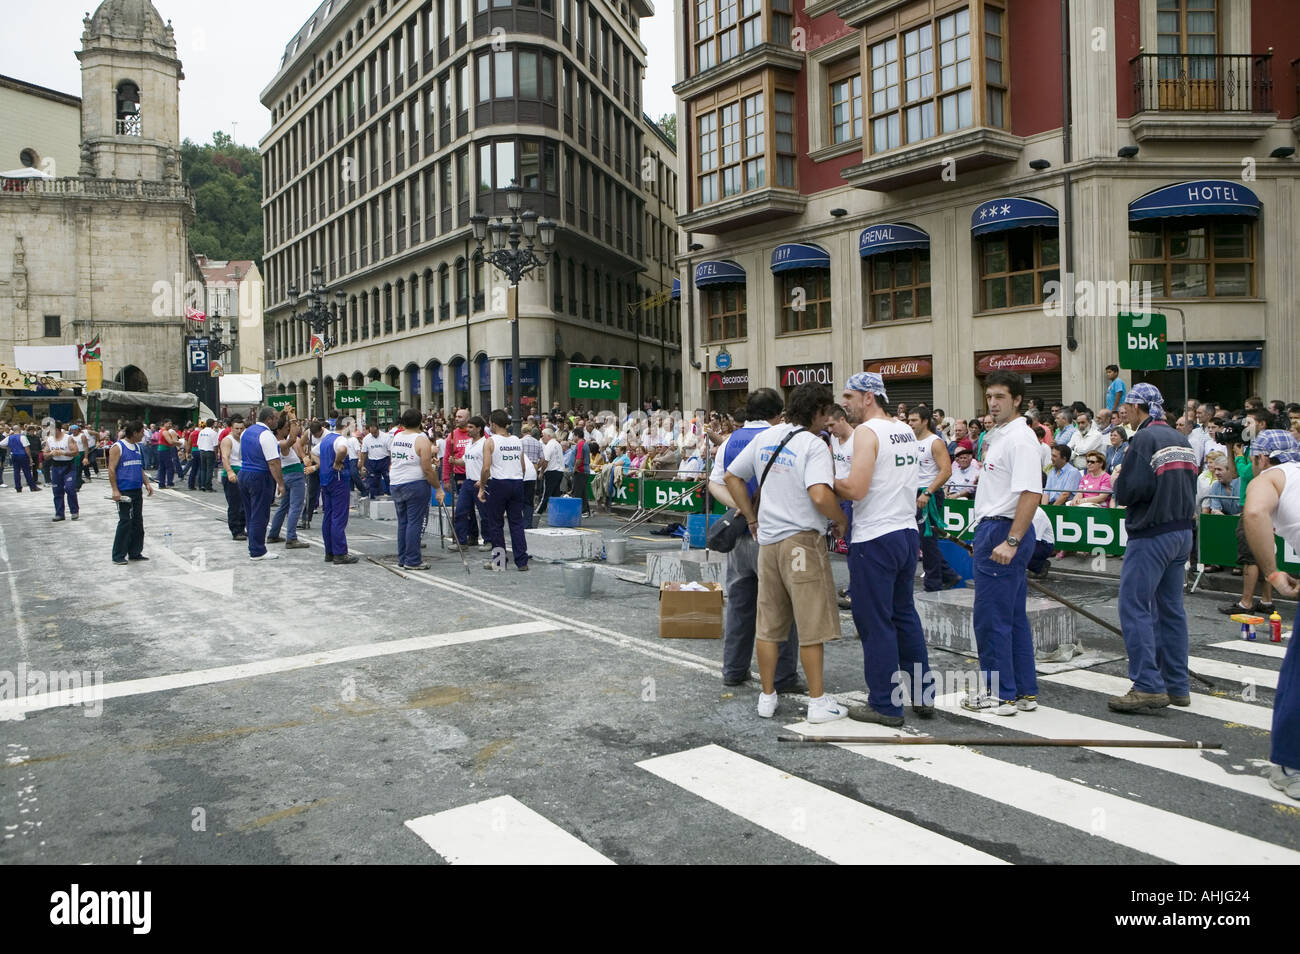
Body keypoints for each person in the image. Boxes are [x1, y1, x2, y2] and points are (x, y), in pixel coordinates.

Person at [724, 383, 847, 724]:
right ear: (819, 411)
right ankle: (818, 702)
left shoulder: (765, 437)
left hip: (769, 542)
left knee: (769, 624)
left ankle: (767, 696)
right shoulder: (814, 445)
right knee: (811, 625)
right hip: (801, 542)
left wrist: (750, 516)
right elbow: (821, 495)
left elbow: (732, 476)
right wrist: (841, 520)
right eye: (827, 413)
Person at [834, 373, 933, 726]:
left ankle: (885, 705)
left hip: (875, 535)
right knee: (904, 615)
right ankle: (923, 693)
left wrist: (821, 479)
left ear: (868, 397)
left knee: (875, 623)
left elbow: (856, 489)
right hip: (905, 531)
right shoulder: (904, 428)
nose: (844, 402)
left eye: (849, 395)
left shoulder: (866, 432)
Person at [709, 389, 804, 695]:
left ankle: (734, 669)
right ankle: (783, 675)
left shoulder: (729, 442)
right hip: (773, 531)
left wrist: (740, 508)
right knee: (781, 607)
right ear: (779, 413)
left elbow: (714, 482)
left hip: (740, 534)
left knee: (739, 604)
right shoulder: (783, 437)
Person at [1109, 382, 1197, 713]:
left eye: (1127, 407)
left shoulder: (1144, 439)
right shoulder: (1180, 437)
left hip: (1153, 533)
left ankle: (1147, 684)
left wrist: (1117, 481)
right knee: (1171, 609)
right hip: (1181, 532)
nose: (1123, 413)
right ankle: (1176, 684)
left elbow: (1131, 491)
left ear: (1139, 408)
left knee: (1134, 607)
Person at [963, 370, 1042, 716]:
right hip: (997, 528)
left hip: (1003, 530)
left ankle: (1000, 694)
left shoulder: (1020, 438)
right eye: (990, 397)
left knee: (991, 619)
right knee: (1011, 617)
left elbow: (1032, 492)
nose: (993, 403)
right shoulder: (1003, 435)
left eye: (1000, 397)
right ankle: (1022, 691)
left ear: (1017, 400)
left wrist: (1011, 540)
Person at [1240, 430, 1300, 799]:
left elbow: (1254, 511)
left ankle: (1288, 763)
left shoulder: (1272, 477)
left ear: (1262, 459)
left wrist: (1274, 572)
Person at [1219, 420, 1275, 615]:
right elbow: (1234, 474)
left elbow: (1248, 473)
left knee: (1249, 558)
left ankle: (1246, 602)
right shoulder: (1252, 446)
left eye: (1249, 422)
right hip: (1260, 506)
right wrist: (1230, 450)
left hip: (1254, 508)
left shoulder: (1261, 449)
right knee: (1264, 558)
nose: (1245, 426)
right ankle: (1267, 601)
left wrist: (1241, 456)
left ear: (1261, 423)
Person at [909, 406, 960, 591]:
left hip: (928, 494)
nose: (910, 423)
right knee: (921, 539)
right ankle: (949, 574)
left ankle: (934, 581)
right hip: (913, 493)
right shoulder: (911, 441)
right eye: (909, 420)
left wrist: (928, 492)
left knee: (927, 538)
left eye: (914, 420)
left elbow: (946, 471)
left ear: (924, 421)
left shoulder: (935, 442)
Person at [389, 407, 442, 570]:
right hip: (414, 483)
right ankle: (412, 560)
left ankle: (403, 557)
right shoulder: (421, 439)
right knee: (414, 523)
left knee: (403, 522)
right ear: (420, 422)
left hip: (396, 482)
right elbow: (427, 469)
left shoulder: (397, 437)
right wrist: (438, 488)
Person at [478, 410, 530, 571]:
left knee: (496, 524)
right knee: (516, 523)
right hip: (517, 482)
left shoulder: (490, 442)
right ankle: (522, 561)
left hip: (499, 483)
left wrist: (481, 488)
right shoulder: (516, 440)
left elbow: (486, 468)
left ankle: (499, 562)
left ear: (493, 424)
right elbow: (522, 466)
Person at [239, 407, 287, 561]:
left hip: (244, 473)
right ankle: (258, 550)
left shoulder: (246, 432)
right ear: (269, 419)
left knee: (250, 513)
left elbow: (242, 454)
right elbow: (273, 462)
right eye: (275, 418)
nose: (277, 421)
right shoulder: (267, 435)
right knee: (260, 513)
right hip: (260, 475)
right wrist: (280, 483)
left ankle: (253, 546)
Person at [108, 420, 154, 565]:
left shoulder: (137, 447)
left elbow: (139, 467)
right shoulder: (118, 447)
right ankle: (118, 555)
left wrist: (146, 483)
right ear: (135, 433)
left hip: (136, 490)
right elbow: (111, 469)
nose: (143, 435)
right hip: (125, 491)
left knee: (137, 522)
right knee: (125, 522)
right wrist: (115, 490)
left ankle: (135, 552)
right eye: (141, 432)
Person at [316, 417, 360, 565]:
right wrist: (337, 462)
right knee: (339, 517)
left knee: (328, 515)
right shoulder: (342, 440)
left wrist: (323, 465)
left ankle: (329, 551)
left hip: (325, 480)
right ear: (346, 426)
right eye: (353, 425)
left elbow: (314, 453)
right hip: (338, 480)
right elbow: (342, 450)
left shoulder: (327, 439)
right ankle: (340, 553)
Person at [266, 413, 310, 550]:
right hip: (294, 475)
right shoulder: (281, 443)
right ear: (278, 430)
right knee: (296, 506)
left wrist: (284, 414)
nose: (288, 430)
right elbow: (292, 438)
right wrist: (293, 420)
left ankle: (273, 534)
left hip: (285, 474)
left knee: (283, 506)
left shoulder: (273, 442)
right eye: (285, 428)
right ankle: (291, 538)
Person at [442, 410, 479, 548]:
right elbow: (446, 458)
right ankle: (465, 537)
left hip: (478, 475)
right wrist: (445, 478)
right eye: (456, 416)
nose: (457, 419)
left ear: (468, 419)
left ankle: (479, 536)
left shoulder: (476, 435)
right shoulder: (451, 436)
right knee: (465, 508)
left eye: (460, 417)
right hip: (461, 475)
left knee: (481, 509)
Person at [452, 416, 487, 552]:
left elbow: (489, 464)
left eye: (471, 427)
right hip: (468, 481)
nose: (468, 429)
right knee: (460, 510)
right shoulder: (468, 443)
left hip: (481, 482)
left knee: (485, 514)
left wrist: (484, 481)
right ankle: (461, 540)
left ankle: (488, 540)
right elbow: (465, 461)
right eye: (468, 427)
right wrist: (454, 461)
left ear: (479, 429)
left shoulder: (485, 443)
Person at [220, 417, 247, 541]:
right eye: (236, 428)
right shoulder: (227, 440)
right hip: (232, 475)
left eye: (241, 428)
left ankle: (242, 528)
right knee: (235, 504)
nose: (239, 431)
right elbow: (225, 457)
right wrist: (230, 472)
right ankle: (236, 531)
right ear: (231, 428)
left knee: (244, 503)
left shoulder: (243, 439)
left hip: (243, 472)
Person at [46, 420, 80, 522]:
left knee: (70, 489)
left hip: (68, 467)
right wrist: (51, 454)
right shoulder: (50, 440)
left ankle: (74, 511)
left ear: (57, 429)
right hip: (56, 467)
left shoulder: (68, 438)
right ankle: (59, 513)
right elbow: (45, 454)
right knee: (57, 491)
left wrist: (63, 453)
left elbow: (76, 452)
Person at [300, 419, 325, 530]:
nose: (315, 436)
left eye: (316, 434)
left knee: (327, 491)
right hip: (312, 463)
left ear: (321, 430)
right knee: (311, 492)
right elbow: (300, 445)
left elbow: (327, 459)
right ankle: (305, 519)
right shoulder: (308, 433)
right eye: (313, 434)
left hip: (324, 465)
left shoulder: (327, 436)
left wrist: (315, 467)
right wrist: (304, 457)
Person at [536, 428, 564, 514]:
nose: (542, 437)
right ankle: (557, 512)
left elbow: (545, 461)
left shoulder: (549, 445)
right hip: (559, 471)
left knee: (546, 494)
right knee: (556, 494)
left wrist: (541, 472)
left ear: (548, 436)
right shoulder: (558, 444)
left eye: (543, 435)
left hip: (551, 472)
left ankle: (539, 511)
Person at [361, 422, 391, 499]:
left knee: (388, 480)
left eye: (375, 432)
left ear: (378, 430)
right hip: (372, 462)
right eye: (372, 433)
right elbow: (364, 452)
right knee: (373, 482)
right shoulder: (367, 438)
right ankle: (375, 498)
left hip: (384, 460)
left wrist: (391, 463)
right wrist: (362, 465)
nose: (374, 434)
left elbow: (390, 451)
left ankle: (391, 496)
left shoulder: (386, 437)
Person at [8, 424, 36, 492]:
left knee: (16, 471)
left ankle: (18, 487)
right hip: (22, 455)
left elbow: (1, 444)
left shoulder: (9, 437)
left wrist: (10, 448)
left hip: (14, 455)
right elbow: (26, 448)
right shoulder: (22, 437)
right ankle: (32, 486)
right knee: (27, 471)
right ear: (19, 429)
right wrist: (30, 457)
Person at [196, 419, 219, 491]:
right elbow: (215, 445)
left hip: (202, 451)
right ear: (213, 424)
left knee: (203, 469)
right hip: (210, 451)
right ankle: (208, 485)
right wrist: (216, 454)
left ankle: (202, 485)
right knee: (209, 469)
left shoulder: (201, 432)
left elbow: (198, 443)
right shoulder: (213, 433)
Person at [156, 420, 178, 487]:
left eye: (171, 424)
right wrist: (178, 443)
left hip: (161, 450)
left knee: (162, 467)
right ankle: (169, 482)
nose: (170, 425)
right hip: (165, 450)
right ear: (164, 424)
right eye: (169, 424)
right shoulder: (165, 432)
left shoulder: (161, 431)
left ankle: (161, 483)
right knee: (169, 467)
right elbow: (170, 442)